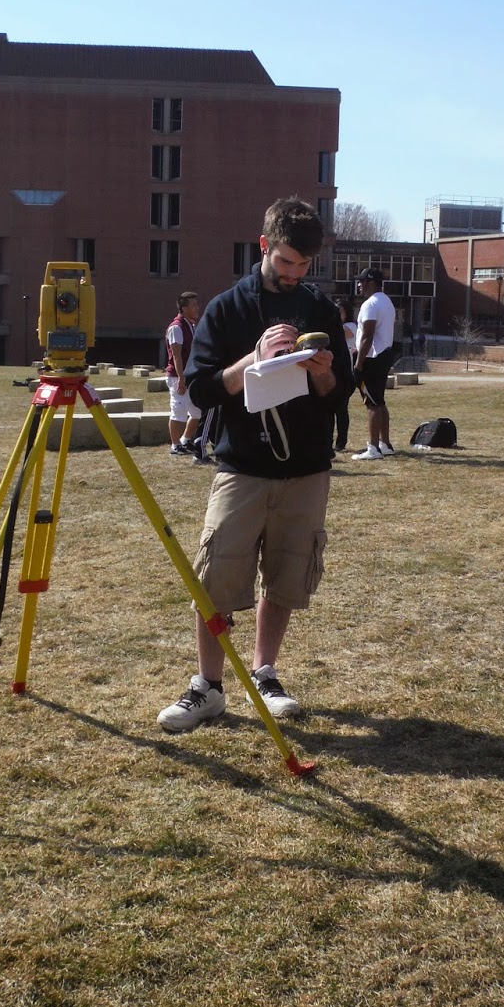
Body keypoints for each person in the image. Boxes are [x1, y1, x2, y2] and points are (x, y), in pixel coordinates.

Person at [157, 197, 353, 733]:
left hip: (307, 467)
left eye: (304, 265)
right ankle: (209, 686)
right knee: (216, 574)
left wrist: (322, 374)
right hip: (241, 465)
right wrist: (252, 360)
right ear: (264, 246)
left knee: (287, 574)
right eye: (287, 261)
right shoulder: (225, 309)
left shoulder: (318, 309)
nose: (295, 274)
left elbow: (340, 397)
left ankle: (265, 675)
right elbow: (199, 388)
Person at [350, 268, 396, 460]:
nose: (359, 285)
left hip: (371, 359)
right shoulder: (387, 301)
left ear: (371, 283)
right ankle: (385, 444)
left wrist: (358, 365)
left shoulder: (370, 304)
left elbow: (367, 336)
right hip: (385, 355)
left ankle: (374, 448)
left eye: (362, 282)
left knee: (371, 403)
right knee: (380, 401)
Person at [164, 291, 203, 456]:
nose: (197, 308)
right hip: (177, 377)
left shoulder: (191, 325)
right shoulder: (176, 327)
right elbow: (177, 356)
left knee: (197, 412)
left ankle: (185, 440)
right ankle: (175, 445)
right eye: (193, 305)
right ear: (184, 308)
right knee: (178, 411)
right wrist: (181, 378)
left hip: (190, 376)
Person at [333, 296, 356, 453]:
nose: (336, 314)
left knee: (341, 409)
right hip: (333, 371)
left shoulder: (350, 327)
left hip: (345, 373)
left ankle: (341, 442)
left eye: (338, 311)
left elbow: (338, 333)